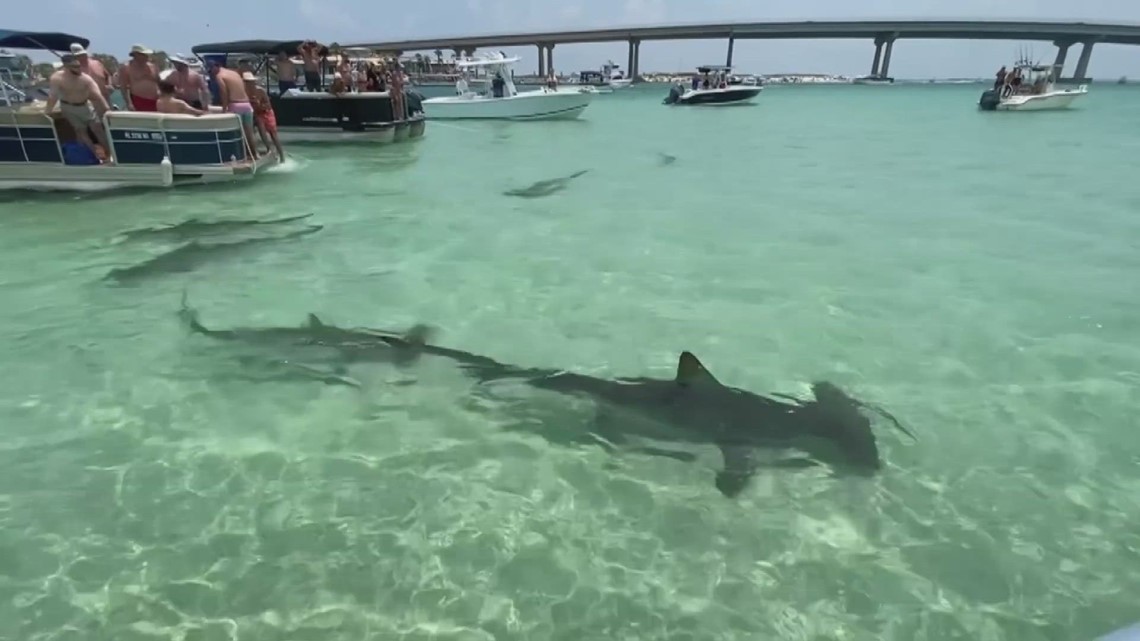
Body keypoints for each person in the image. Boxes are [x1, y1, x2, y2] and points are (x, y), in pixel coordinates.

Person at [44, 54, 111, 158]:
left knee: (98, 129)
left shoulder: (86, 79)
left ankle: (110, 154)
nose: (79, 69)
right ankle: (95, 156)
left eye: (79, 66)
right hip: (68, 107)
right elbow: (53, 97)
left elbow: (98, 96)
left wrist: (107, 110)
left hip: (86, 105)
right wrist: (46, 113)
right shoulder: (56, 78)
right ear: (66, 66)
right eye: (74, 67)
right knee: (81, 132)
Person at [209, 64, 259, 159]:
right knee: (250, 132)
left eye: (210, 71)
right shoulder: (234, 73)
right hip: (247, 105)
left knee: (236, 133)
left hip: (235, 105)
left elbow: (224, 93)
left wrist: (224, 109)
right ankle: (255, 154)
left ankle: (240, 155)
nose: (210, 73)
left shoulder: (220, 76)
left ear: (215, 67)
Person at [244, 72, 285, 159]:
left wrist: (259, 105)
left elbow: (269, 105)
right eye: (247, 82)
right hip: (256, 114)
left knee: (273, 134)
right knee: (260, 126)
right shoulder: (244, 92)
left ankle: (281, 156)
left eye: (251, 82)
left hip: (266, 112)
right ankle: (269, 149)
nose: (249, 84)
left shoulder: (260, 91)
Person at [118, 44, 160, 111]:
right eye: (144, 54)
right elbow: (123, 87)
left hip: (156, 101)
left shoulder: (153, 67)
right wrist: (129, 103)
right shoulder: (127, 67)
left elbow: (160, 83)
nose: (147, 56)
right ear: (136, 55)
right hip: (138, 100)